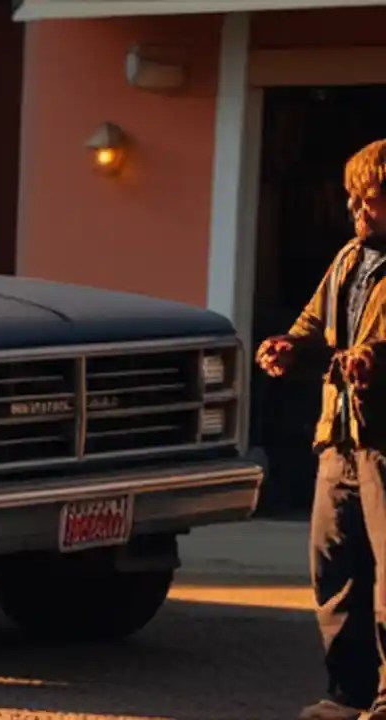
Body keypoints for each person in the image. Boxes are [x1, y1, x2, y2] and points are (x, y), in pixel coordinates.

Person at [258, 138, 386, 720]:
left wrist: (374, 357)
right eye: (354, 199)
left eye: (372, 199)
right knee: (332, 566)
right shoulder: (347, 262)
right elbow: (313, 326)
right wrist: (289, 346)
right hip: (338, 437)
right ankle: (347, 693)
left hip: (385, 443)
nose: (359, 210)